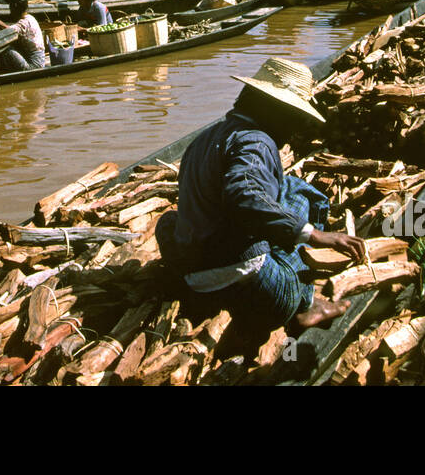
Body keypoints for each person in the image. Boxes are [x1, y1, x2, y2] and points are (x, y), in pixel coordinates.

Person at [155, 58, 362, 340]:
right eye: (295, 118)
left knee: (170, 220)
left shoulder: (203, 139)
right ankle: (306, 302)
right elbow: (244, 194)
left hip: (195, 278)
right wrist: (313, 235)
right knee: (302, 194)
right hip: (265, 293)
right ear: (277, 110)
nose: (294, 132)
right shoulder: (257, 141)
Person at [0, 0, 47, 72]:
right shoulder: (30, 17)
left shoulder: (25, 22)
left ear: (15, 8)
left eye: (11, 8)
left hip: (34, 66)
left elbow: (7, 30)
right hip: (36, 59)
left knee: (3, 47)